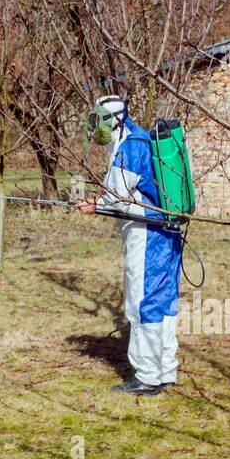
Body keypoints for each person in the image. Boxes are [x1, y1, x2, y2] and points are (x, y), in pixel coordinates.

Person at [77, 95, 182, 395]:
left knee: (141, 303)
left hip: (147, 235)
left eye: (100, 121)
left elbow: (116, 199)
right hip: (167, 233)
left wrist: (93, 206)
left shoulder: (129, 148)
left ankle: (147, 376)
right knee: (164, 302)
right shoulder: (141, 140)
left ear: (116, 120)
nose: (96, 128)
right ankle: (166, 370)